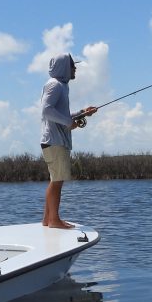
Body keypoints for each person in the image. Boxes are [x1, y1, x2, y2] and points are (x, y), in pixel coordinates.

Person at [39, 53, 97, 228]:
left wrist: (81, 113)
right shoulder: (55, 85)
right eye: (73, 66)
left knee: (55, 180)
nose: (75, 69)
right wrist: (69, 122)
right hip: (55, 141)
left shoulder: (60, 86)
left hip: (56, 140)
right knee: (57, 181)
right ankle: (54, 221)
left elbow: (60, 114)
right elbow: (46, 111)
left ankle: (47, 219)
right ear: (65, 67)